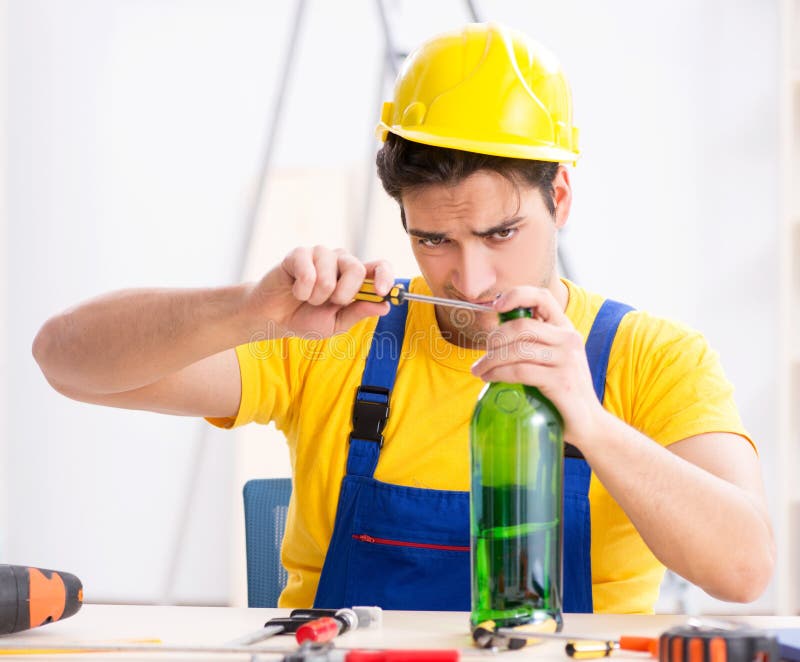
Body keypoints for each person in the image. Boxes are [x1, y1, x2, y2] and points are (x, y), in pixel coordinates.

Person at [32, 23, 774, 614]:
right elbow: (62, 359)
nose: (471, 277)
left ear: (562, 200)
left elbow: (745, 570)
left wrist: (589, 420)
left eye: (500, 233)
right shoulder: (330, 337)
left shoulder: (651, 358)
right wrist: (246, 312)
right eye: (433, 240)